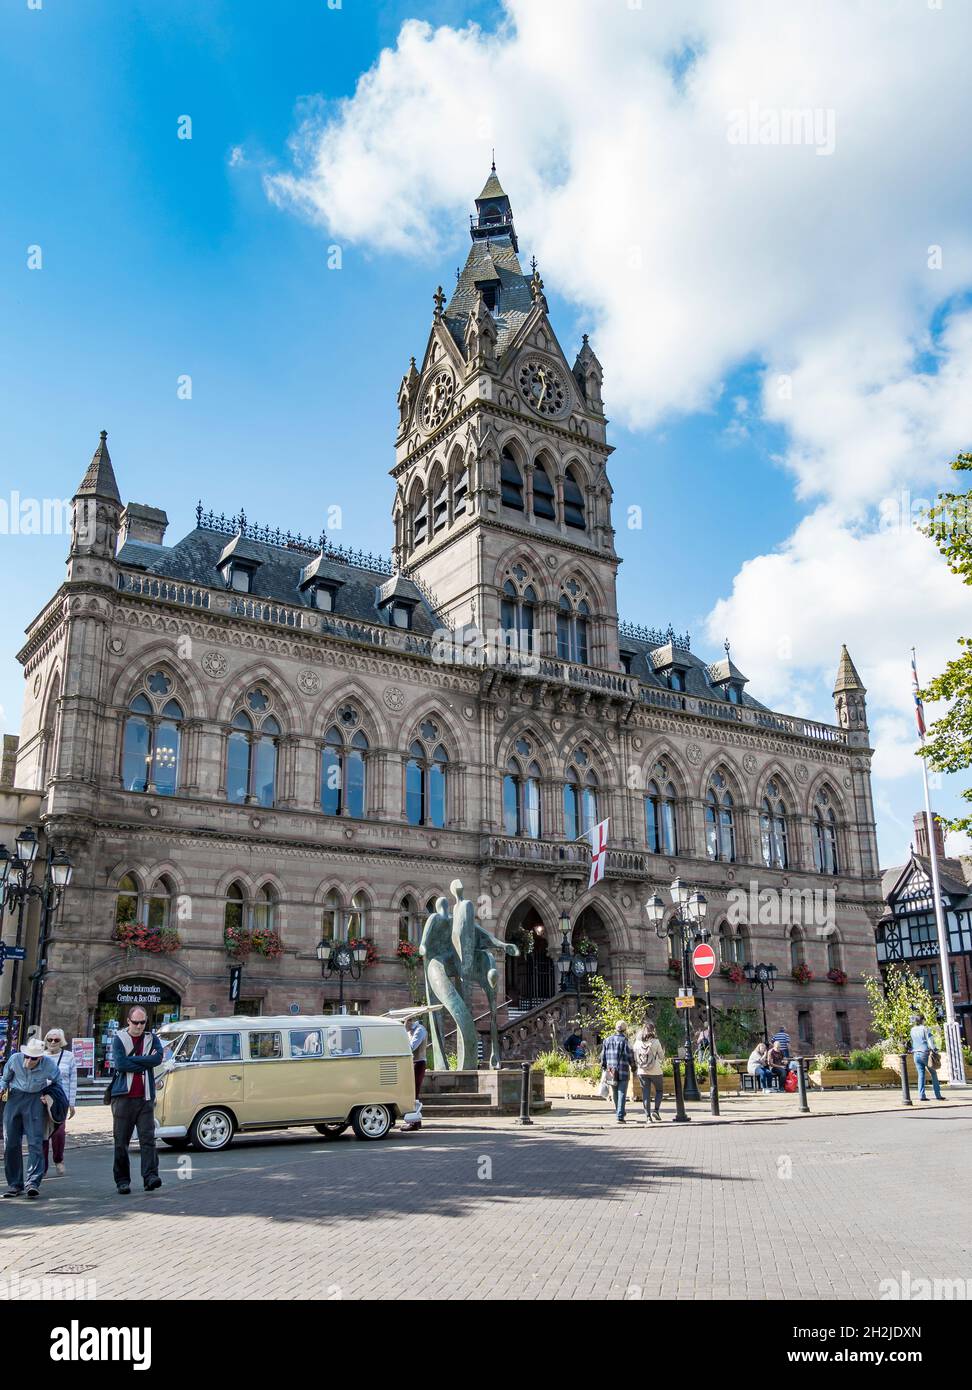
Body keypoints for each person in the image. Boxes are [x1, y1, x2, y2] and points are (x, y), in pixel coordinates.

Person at [110, 1006, 164, 1194]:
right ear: (128, 1021)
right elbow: (121, 1064)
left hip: (145, 1097)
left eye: (143, 1022)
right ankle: (122, 1181)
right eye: (136, 1022)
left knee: (148, 1139)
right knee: (121, 1141)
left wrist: (136, 1061)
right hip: (123, 1098)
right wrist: (144, 1061)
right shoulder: (119, 1038)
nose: (140, 1026)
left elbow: (157, 1059)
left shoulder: (152, 1038)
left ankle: (150, 1177)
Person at [2, 1037, 60, 1198]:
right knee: (11, 1142)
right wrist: (1, 1089)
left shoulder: (48, 1064)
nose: (28, 1060)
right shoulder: (15, 1059)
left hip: (35, 1099)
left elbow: (58, 1083)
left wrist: (49, 1095)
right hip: (15, 1098)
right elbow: (5, 1079)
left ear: (40, 1057)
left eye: (33, 1058)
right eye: (26, 1056)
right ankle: (15, 1184)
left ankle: (33, 1182)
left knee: (35, 1142)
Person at [42, 1028, 77, 1176]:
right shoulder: (40, 1056)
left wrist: (72, 1103)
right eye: (50, 1040)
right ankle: (41, 1167)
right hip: (43, 1099)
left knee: (59, 1132)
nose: (53, 1043)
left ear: (61, 1041)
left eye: (56, 1040)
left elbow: (73, 1080)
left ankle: (58, 1159)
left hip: (60, 1100)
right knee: (42, 1134)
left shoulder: (69, 1057)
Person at [600, 1020, 636, 1123]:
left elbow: (603, 1056)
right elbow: (630, 1055)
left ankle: (619, 1111)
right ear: (625, 1030)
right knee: (622, 1093)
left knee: (615, 1093)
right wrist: (633, 1067)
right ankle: (620, 1115)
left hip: (611, 1070)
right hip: (623, 1070)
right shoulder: (625, 1041)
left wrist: (604, 1067)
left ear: (616, 1029)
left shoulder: (607, 1040)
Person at [401, 1016, 428, 1132]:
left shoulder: (419, 1030)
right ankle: (416, 1120)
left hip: (418, 1063)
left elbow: (412, 1047)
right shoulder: (410, 1031)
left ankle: (414, 1122)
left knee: (414, 1092)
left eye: (404, 1022)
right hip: (412, 1063)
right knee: (411, 1092)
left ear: (409, 1021)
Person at [909, 1012, 944, 1102]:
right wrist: (935, 1049)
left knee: (921, 1075)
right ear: (922, 1020)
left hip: (916, 1054)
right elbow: (930, 1042)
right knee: (933, 1073)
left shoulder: (912, 1030)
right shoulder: (925, 1029)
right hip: (925, 1053)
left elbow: (912, 1041)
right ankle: (938, 1095)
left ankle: (922, 1095)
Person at [635, 1023, 665, 1123]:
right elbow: (661, 1057)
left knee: (646, 1094)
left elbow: (635, 1056)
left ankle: (648, 1117)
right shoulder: (656, 1042)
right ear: (653, 1030)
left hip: (642, 1071)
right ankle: (656, 1110)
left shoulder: (637, 1043)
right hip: (655, 1071)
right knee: (659, 1091)